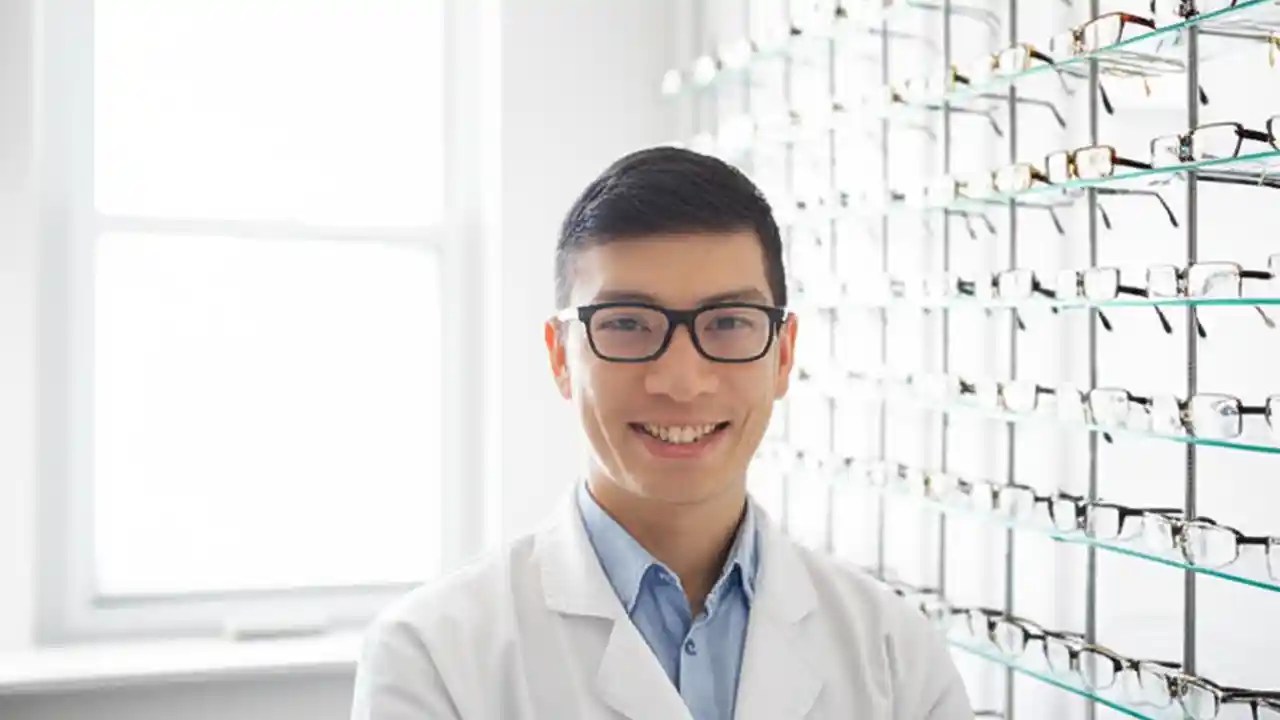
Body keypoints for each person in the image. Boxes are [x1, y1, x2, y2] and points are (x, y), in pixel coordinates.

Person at [350, 147, 973, 719]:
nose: (681, 381)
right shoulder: (432, 658)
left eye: (728, 322)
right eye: (627, 324)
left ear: (783, 355)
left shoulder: (893, 653)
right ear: (561, 356)